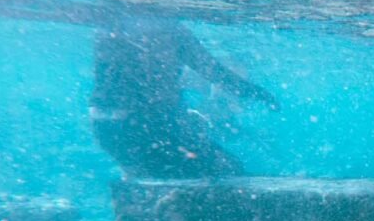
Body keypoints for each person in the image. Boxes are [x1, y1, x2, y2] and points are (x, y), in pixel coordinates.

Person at [90, 17, 279, 178]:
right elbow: (214, 72)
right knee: (228, 170)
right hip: (151, 127)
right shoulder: (172, 31)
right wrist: (258, 94)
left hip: (108, 127)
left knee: (151, 173)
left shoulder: (110, 27)